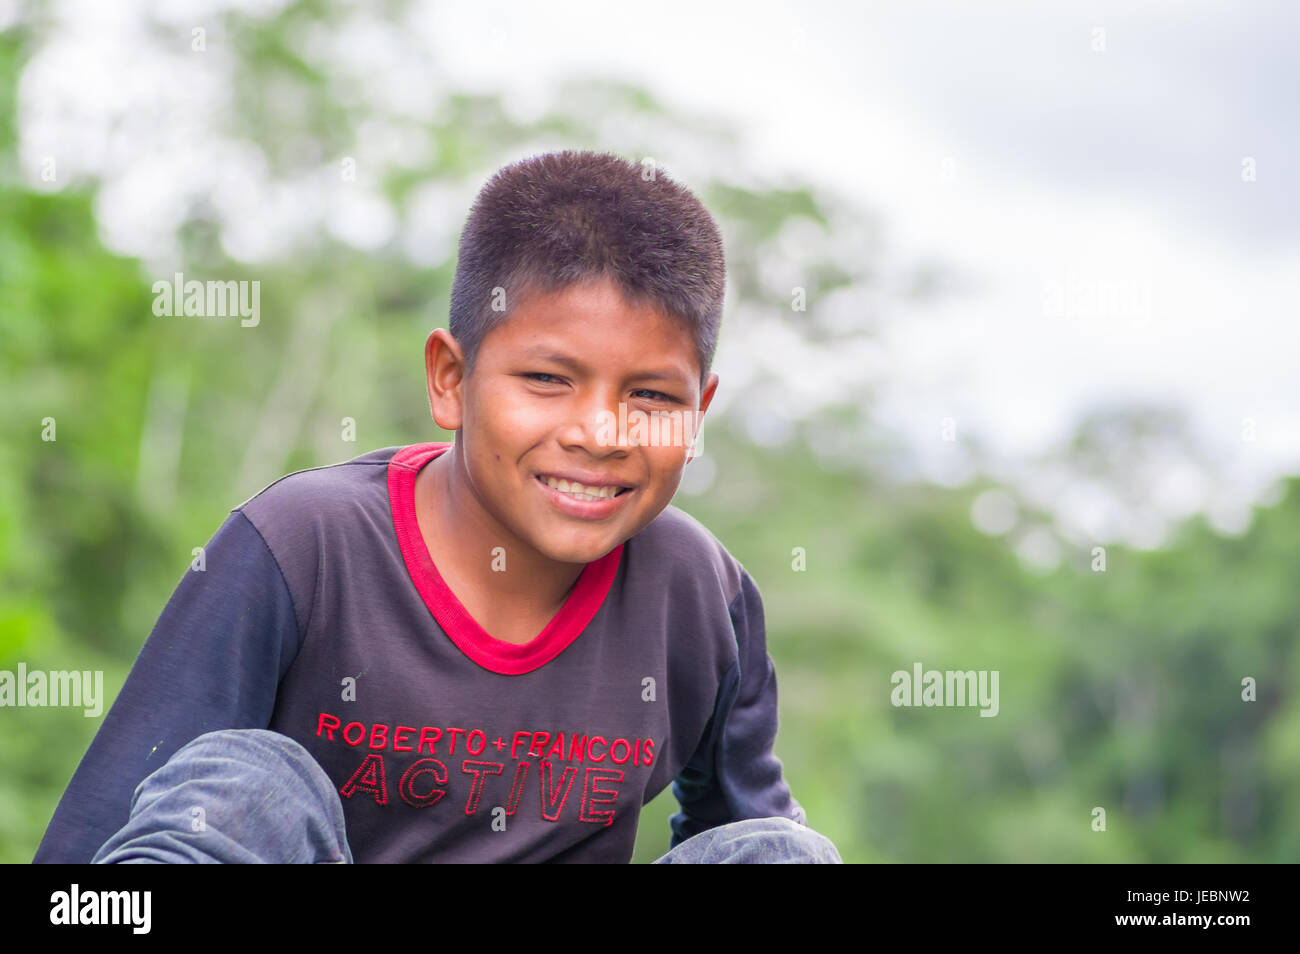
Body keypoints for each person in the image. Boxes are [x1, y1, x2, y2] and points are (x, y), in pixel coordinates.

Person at [33, 150, 842, 864]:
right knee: (252, 786)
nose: (601, 434)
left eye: (652, 395)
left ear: (698, 410)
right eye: (547, 380)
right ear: (451, 380)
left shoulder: (699, 595)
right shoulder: (302, 546)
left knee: (781, 853)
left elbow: (745, 835)